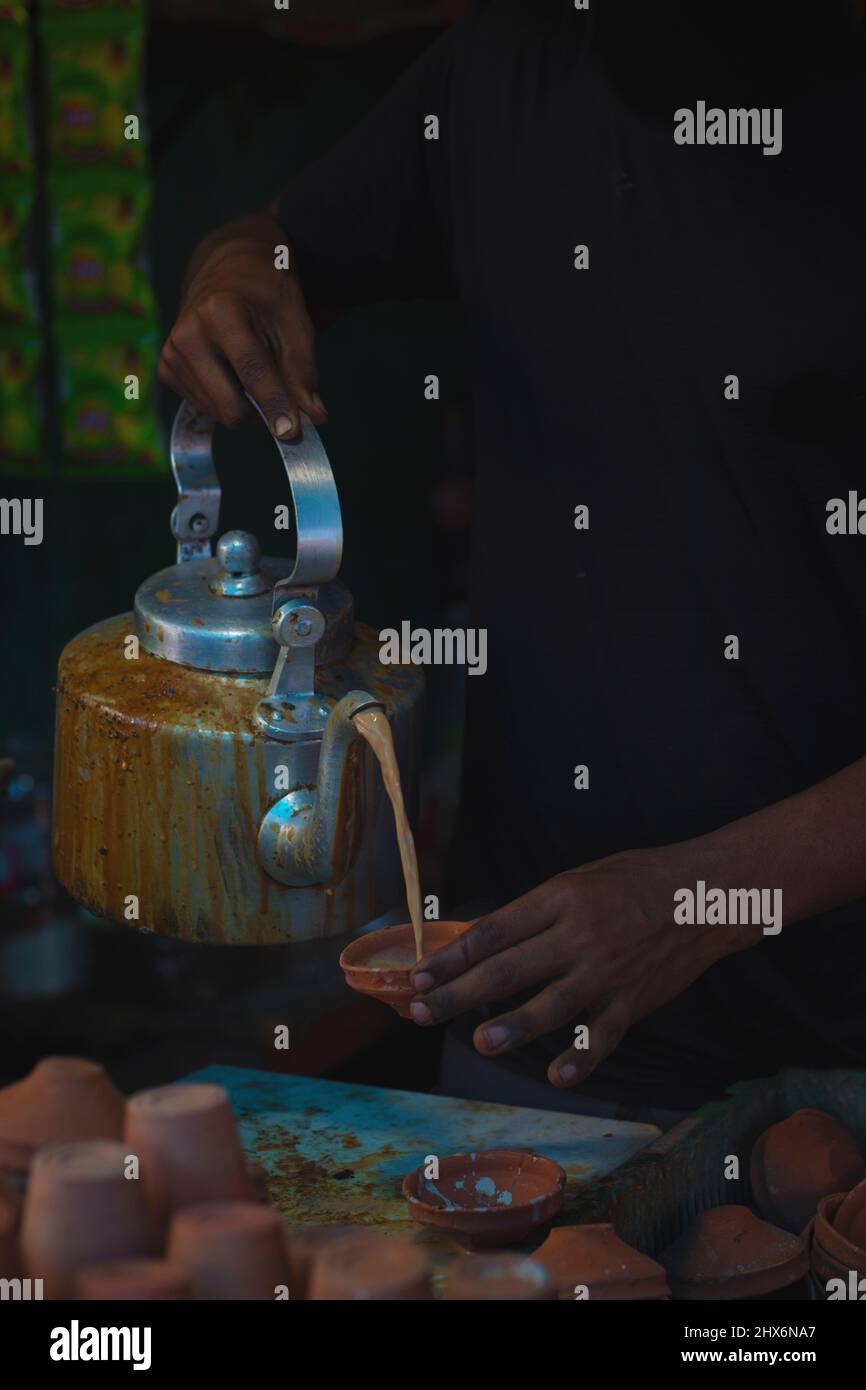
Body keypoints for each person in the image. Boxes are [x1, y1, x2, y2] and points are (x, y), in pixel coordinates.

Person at [159, 0, 866, 1123]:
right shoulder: (505, 67)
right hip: (539, 1007)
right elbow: (273, 239)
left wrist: (688, 901)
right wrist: (236, 275)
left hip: (841, 1037)